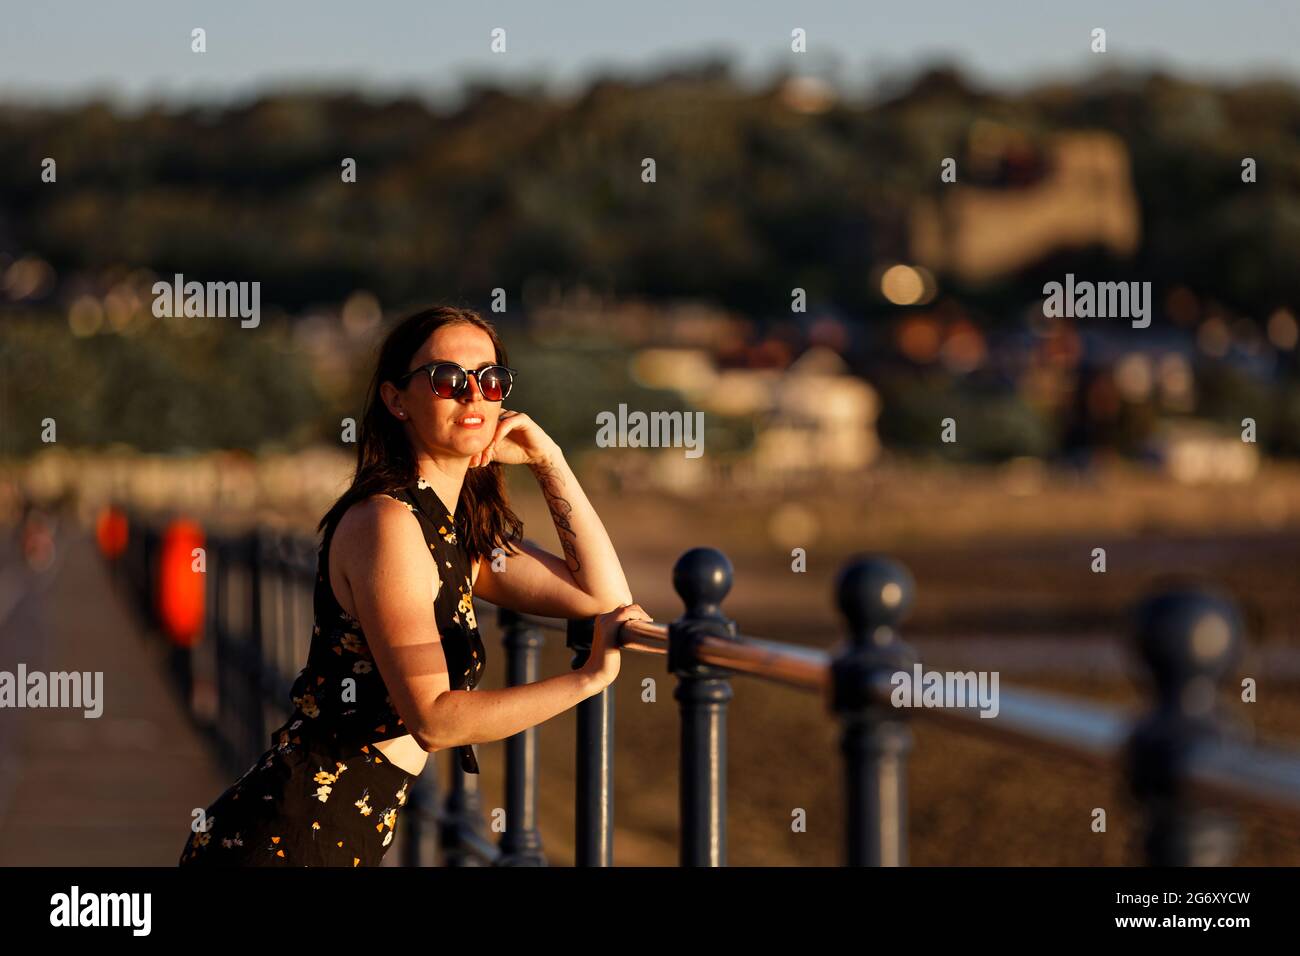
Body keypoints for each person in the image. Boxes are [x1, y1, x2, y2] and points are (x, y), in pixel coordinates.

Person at [178, 305, 650, 866]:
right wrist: (588, 679)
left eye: (491, 379)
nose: (474, 395)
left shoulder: (452, 535)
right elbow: (433, 718)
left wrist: (550, 460)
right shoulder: (388, 524)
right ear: (396, 399)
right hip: (290, 840)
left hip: (334, 833)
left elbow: (600, 595)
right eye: (448, 379)